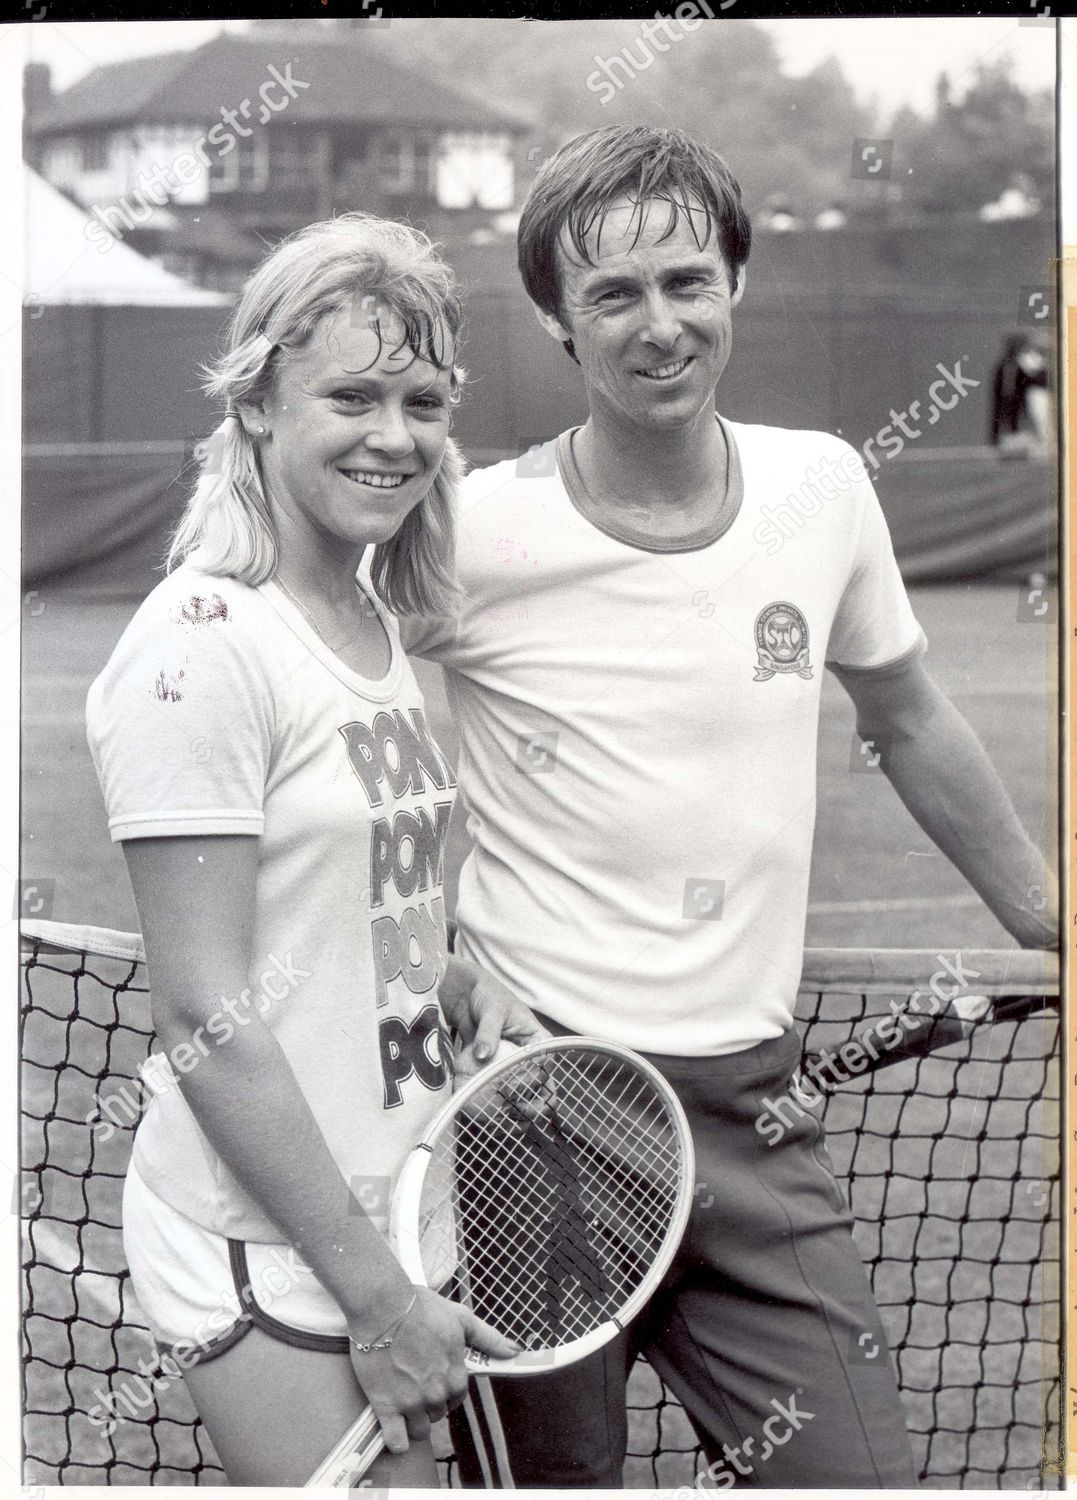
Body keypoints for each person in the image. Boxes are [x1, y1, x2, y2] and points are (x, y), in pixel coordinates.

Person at [401, 127, 1059, 1488]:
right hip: (537, 1124)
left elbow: (913, 718)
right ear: (555, 321)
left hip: (761, 1117)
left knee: (856, 1474)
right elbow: (353, 750)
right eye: (616, 296)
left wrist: (1053, 918)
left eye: (689, 282)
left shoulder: (822, 487)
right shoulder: (472, 530)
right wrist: (428, 954)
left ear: (735, 285)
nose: (661, 326)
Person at [85, 214, 544, 1488]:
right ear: (257, 404)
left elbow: (344, 899)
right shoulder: (202, 643)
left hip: (393, 1204)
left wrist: (443, 976)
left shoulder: (369, 619)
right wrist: (381, 1299)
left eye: (424, 401)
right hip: (274, 1237)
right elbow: (207, 1013)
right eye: (352, 394)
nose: (394, 436)